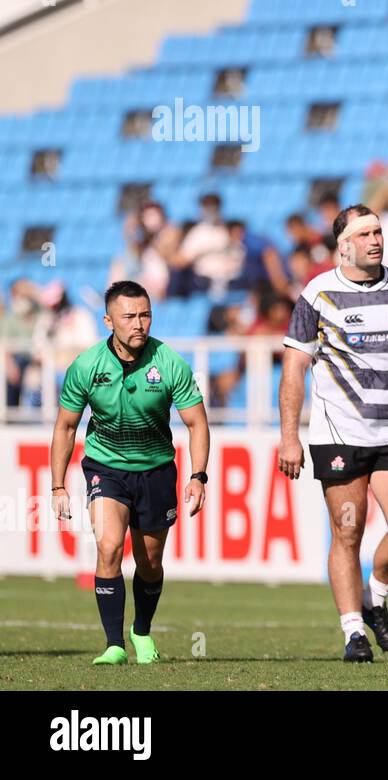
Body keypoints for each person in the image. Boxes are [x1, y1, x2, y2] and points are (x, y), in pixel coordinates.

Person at [277, 204, 388, 662]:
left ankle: (376, 597)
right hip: (340, 433)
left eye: (379, 231)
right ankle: (354, 631)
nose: (376, 240)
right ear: (344, 245)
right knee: (347, 531)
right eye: (365, 233)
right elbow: (294, 367)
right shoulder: (317, 295)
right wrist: (289, 436)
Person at [49, 280, 209, 666]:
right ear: (108, 321)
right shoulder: (86, 366)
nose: (139, 324)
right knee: (108, 547)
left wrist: (197, 475)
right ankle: (113, 644)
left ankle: (141, 631)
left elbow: (197, 425)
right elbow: (66, 427)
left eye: (145, 315)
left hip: (156, 470)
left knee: (150, 562)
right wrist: (57, 486)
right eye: (129, 316)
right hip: (106, 468)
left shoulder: (169, 362)